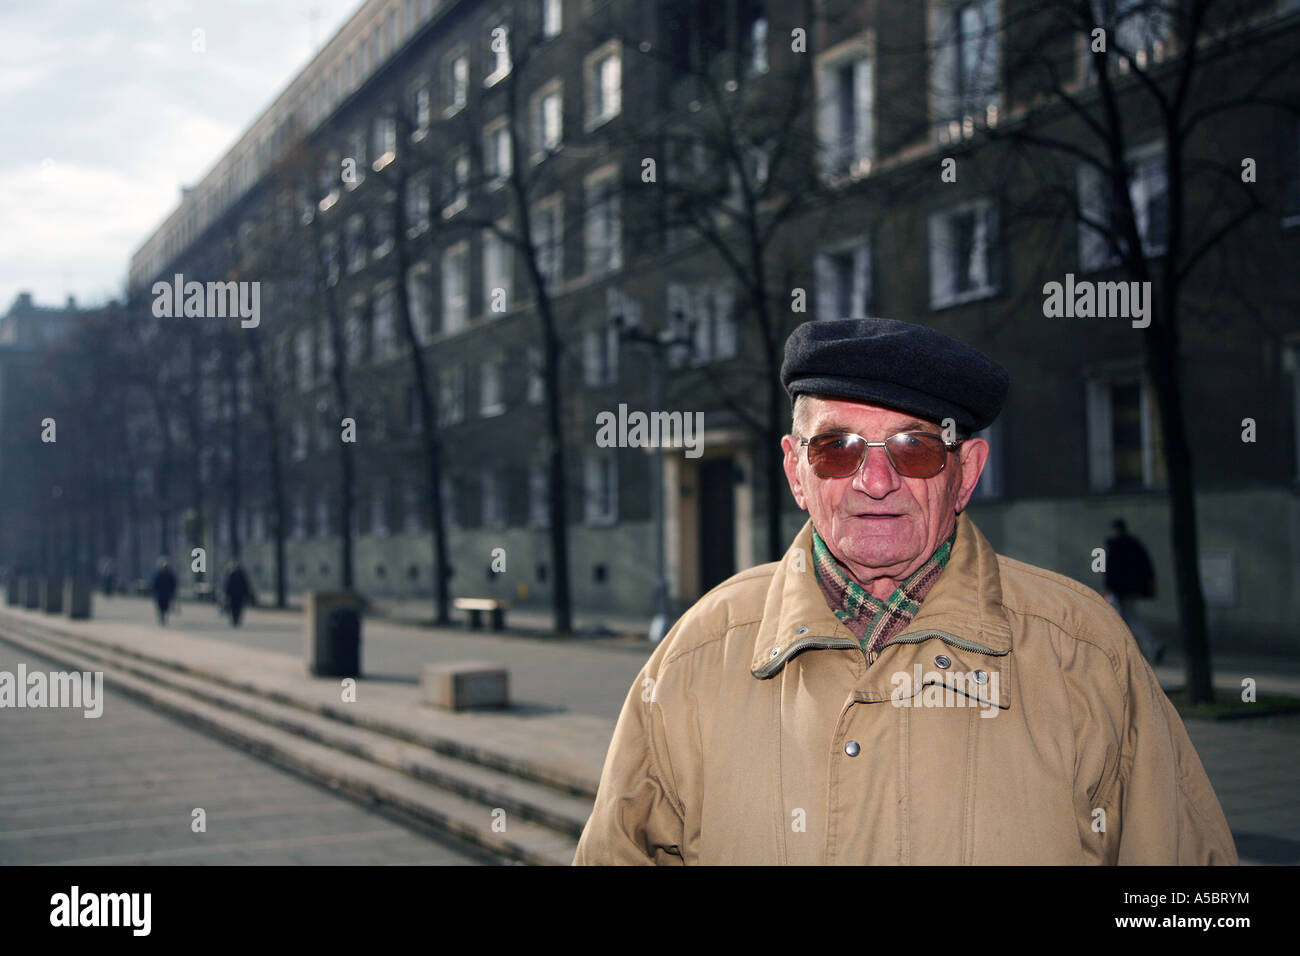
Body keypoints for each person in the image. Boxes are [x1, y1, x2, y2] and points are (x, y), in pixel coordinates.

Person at [574, 317, 1236, 865]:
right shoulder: (699, 652)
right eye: (838, 448)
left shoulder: (1086, 653)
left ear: (966, 471)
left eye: (915, 448)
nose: (876, 480)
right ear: (796, 471)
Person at [1104, 519, 1164, 663]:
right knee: (1128, 619)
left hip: (1118, 590)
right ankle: (1147, 647)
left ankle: (1150, 646)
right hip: (1132, 590)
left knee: (1124, 620)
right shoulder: (1135, 545)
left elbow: (1111, 571)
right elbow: (1146, 567)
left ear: (1115, 529)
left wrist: (1108, 587)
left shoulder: (1115, 546)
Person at [221, 561, 254, 627]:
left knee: (233, 607)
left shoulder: (231, 574)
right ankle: (236, 619)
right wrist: (247, 593)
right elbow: (246, 584)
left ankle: (234, 619)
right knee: (238, 607)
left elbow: (227, 585)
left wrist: (226, 593)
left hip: (233, 594)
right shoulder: (242, 574)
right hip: (240, 594)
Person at [150, 557, 177, 625]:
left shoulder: (169, 575)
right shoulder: (159, 574)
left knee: (166, 607)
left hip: (166, 594)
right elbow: (155, 584)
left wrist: (172, 592)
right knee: (160, 607)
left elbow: (173, 584)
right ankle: (162, 618)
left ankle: (164, 619)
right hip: (160, 594)